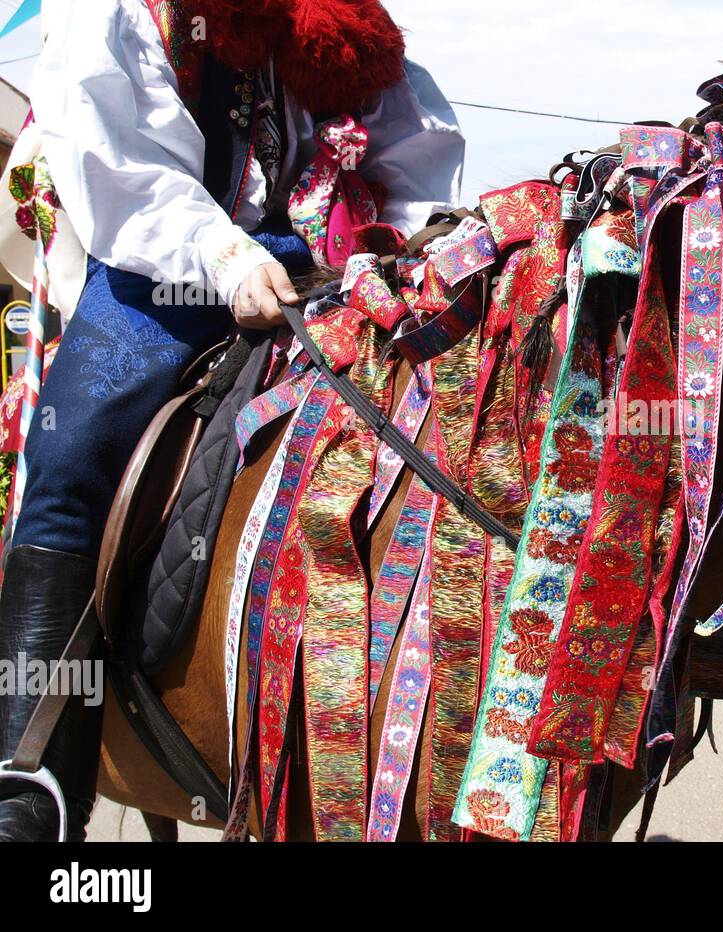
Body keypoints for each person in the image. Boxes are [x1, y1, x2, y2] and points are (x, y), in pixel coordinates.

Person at [0, 0, 464, 842]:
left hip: (321, 270)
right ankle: (29, 784)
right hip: (163, 269)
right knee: (74, 455)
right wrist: (225, 257)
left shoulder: (343, 23)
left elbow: (417, 151)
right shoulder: (127, 8)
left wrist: (391, 247)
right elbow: (120, 159)